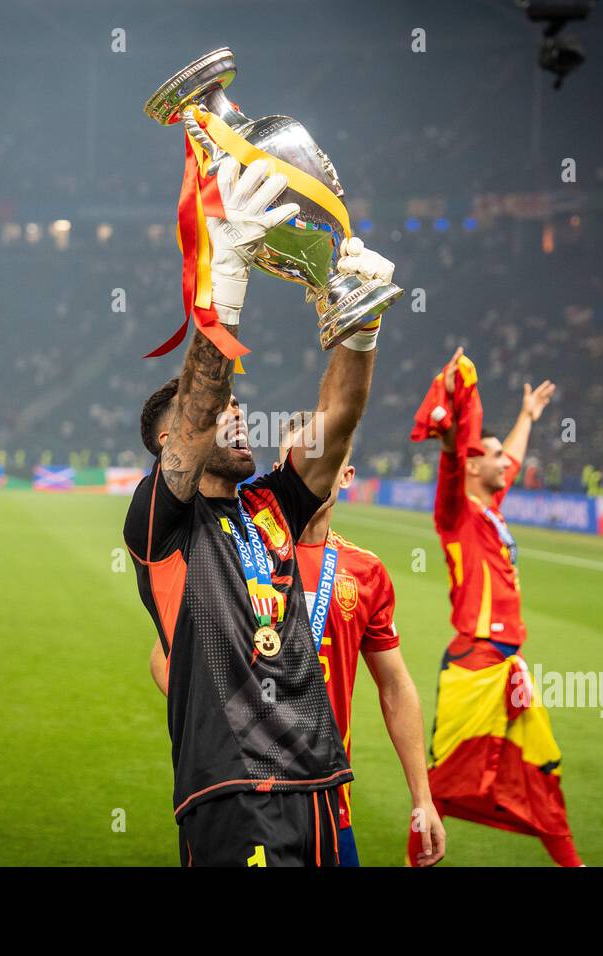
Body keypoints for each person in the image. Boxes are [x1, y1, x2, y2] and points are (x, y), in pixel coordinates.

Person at [123, 156, 391, 866]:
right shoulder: (162, 528)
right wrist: (226, 281)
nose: (237, 420)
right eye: (223, 415)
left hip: (319, 780)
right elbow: (200, 404)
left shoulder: (271, 506)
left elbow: (339, 418)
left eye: (242, 410)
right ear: (170, 441)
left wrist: (357, 332)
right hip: (232, 786)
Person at [146, 418, 448, 867]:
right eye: (302, 463)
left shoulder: (365, 572)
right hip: (256, 792)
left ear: (345, 474)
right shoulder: (246, 552)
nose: (315, 473)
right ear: (283, 469)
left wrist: (422, 797)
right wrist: (225, 707)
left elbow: (395, 687)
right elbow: (162, 654)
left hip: (328, 797)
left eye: (326, 463)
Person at [412, 347, 582, 867]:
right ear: (470, 464)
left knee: (543, 775)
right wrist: (448, 442)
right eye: (491, 453)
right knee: (439, 786)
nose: (505, 460)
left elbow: (505, 454)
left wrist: (527, 418)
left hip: (510, 667)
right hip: (474, 664)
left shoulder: (490, 510)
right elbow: (457, 460)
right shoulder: (456, 512)